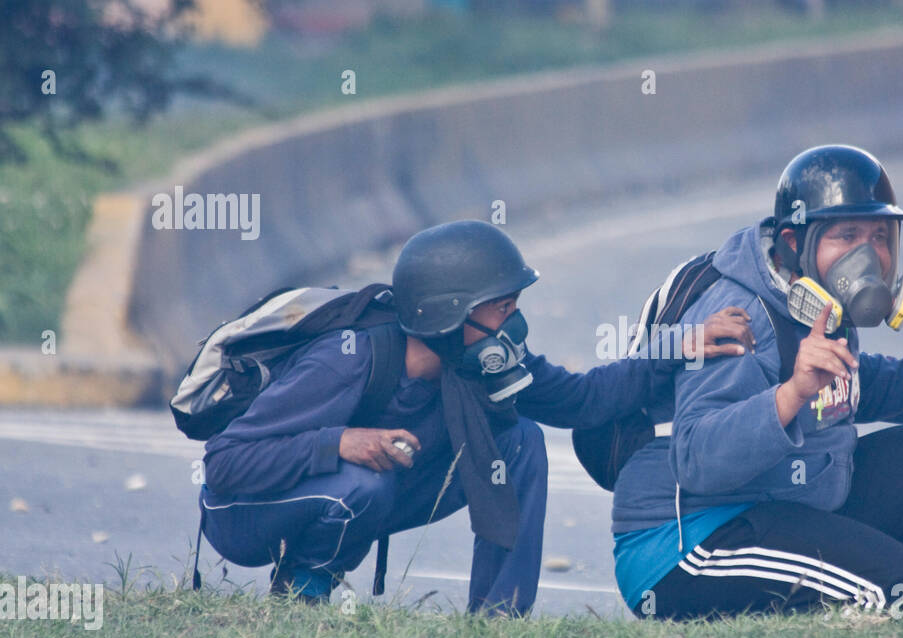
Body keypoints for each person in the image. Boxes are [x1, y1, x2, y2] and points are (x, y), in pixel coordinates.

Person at [198, 220, 752, 614]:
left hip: (364, 492)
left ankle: (498, 619)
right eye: (501, 306)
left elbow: (583, 400)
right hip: (247, 513)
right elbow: (224, 463)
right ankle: (302, 590)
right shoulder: (347, 360)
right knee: (361, 483)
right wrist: (337, 442)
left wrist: (681, 344)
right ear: (448, 313)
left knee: (521, 441)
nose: (515, 319)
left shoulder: (481, 362)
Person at [610, 145, 903, 620]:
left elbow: (845, 383)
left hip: (775, 505)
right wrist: (791, 394)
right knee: (902, 590)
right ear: (795, 241)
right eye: (847, 235)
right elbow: (696, 459)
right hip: (690, 543)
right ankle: (882, 621)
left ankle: (870, 621)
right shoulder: (741, 316)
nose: (868, 255)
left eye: (880, 235)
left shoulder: (816, 300)